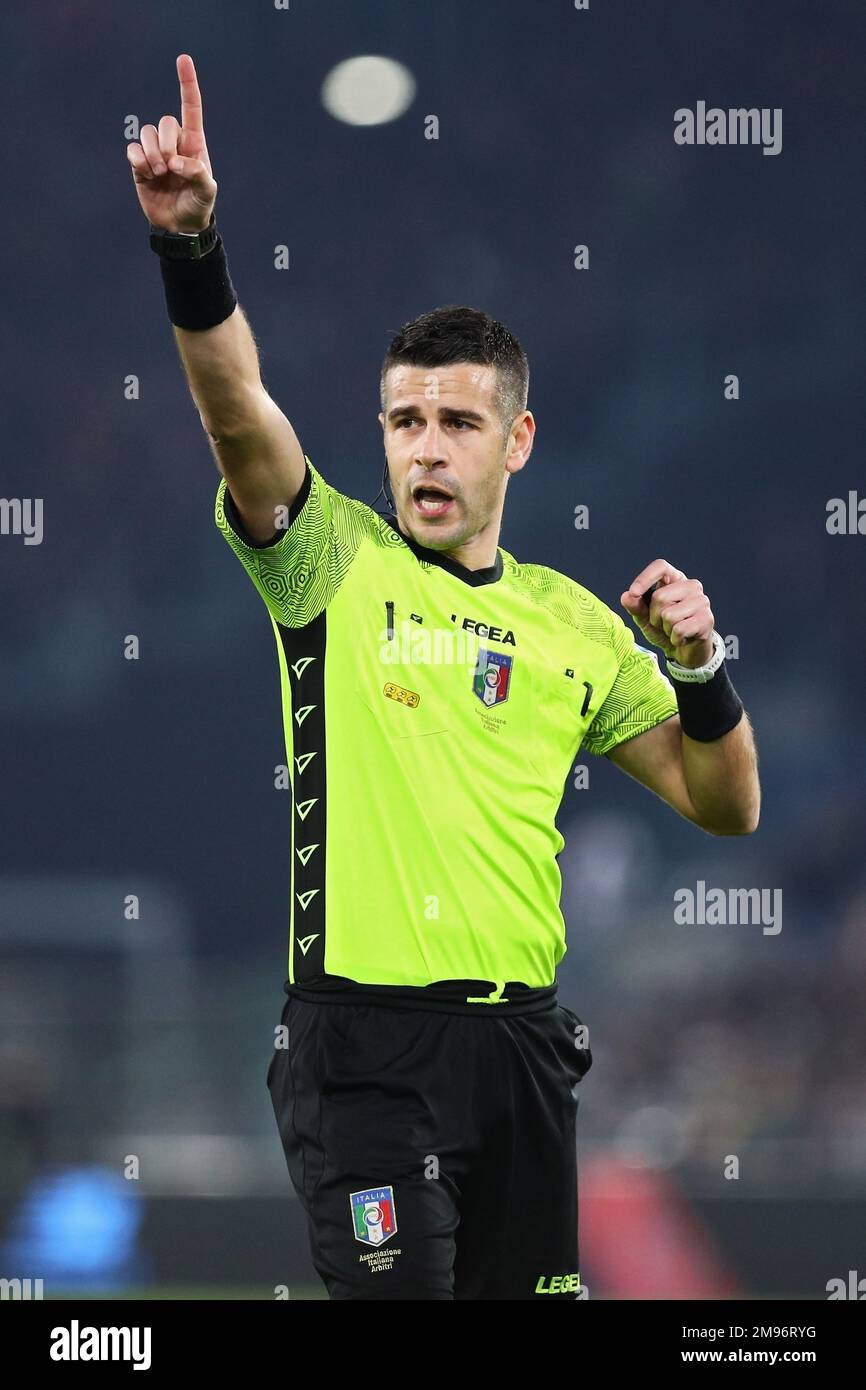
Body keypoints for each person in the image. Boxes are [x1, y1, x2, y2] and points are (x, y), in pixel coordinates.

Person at [128, 54, 760, 1301]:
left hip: (521, 1053)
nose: (426, 447)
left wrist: (699, 669)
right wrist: (191, 250)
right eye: (404, 421)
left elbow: (724, 801)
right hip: (362, 1053)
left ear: (515, 441)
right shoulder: (328, 562)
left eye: (457, 424)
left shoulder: (570, 625)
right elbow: (236, 411)